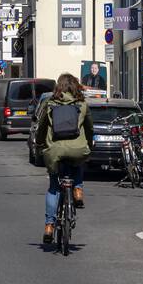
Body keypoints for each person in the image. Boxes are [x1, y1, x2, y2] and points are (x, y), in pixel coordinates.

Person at [34, 73, 94, 245]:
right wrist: (89, 144)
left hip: (55, 151)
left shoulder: (50, 104)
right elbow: (89, 128)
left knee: (54, 187)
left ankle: (49, 226)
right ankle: (78, 190)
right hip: (77, 150)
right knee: (78, 165)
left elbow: (42, 128)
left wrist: (39, 144)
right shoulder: (82, 104)